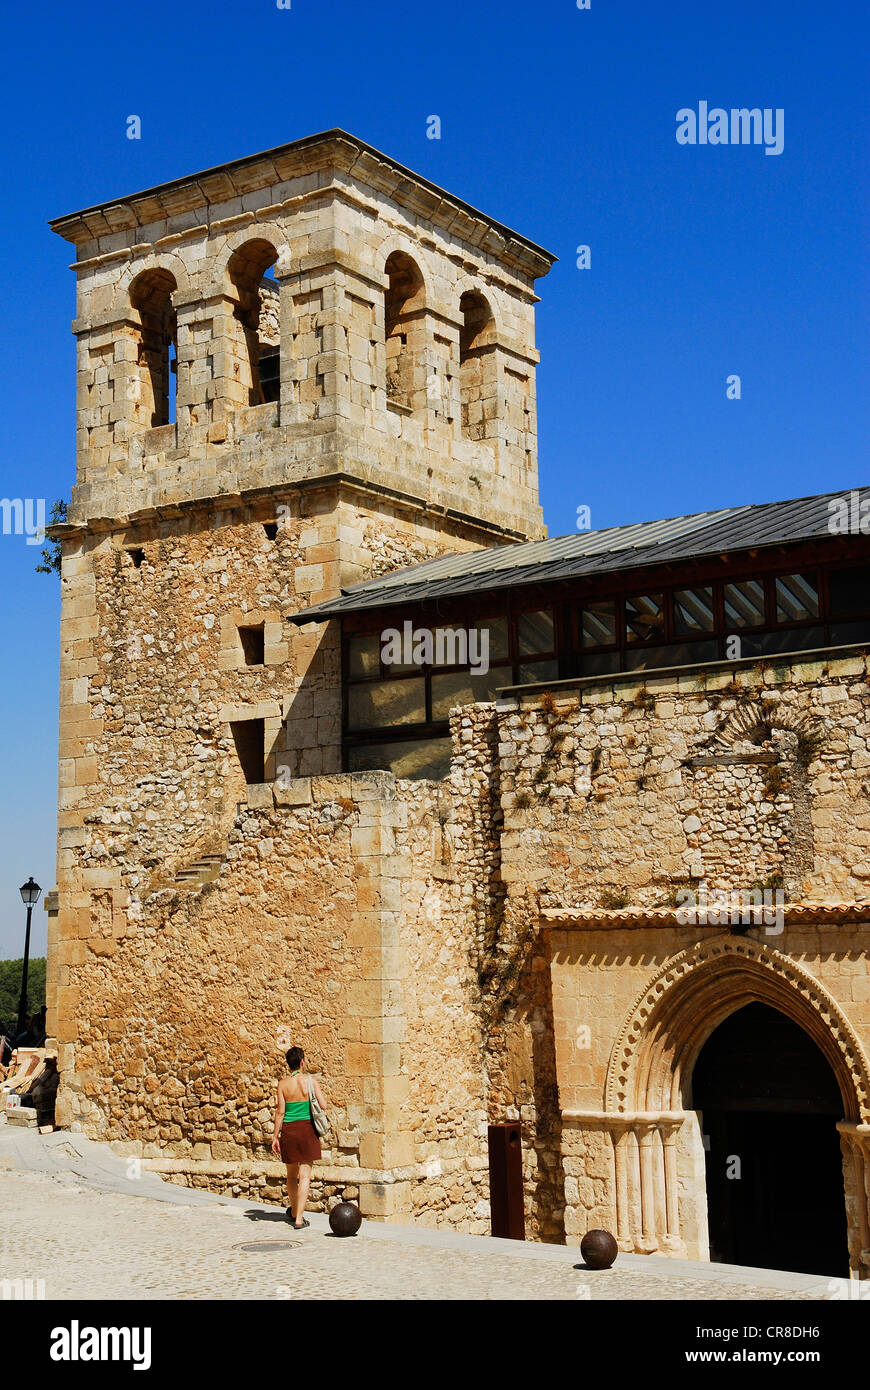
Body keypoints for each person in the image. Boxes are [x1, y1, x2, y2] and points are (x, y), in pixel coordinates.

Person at [271, 1045, 325, 1229]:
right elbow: (323, 1105)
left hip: (289, 1131)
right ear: (302, 1061)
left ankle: (293, 1211)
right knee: (305, 1176)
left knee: (291, 1175)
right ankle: (299, 1219)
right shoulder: (311, 1081)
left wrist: (275, 1137)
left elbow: (280, 1112)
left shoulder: (282, 1084)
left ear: (288, 1064)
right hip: (307, 1130)